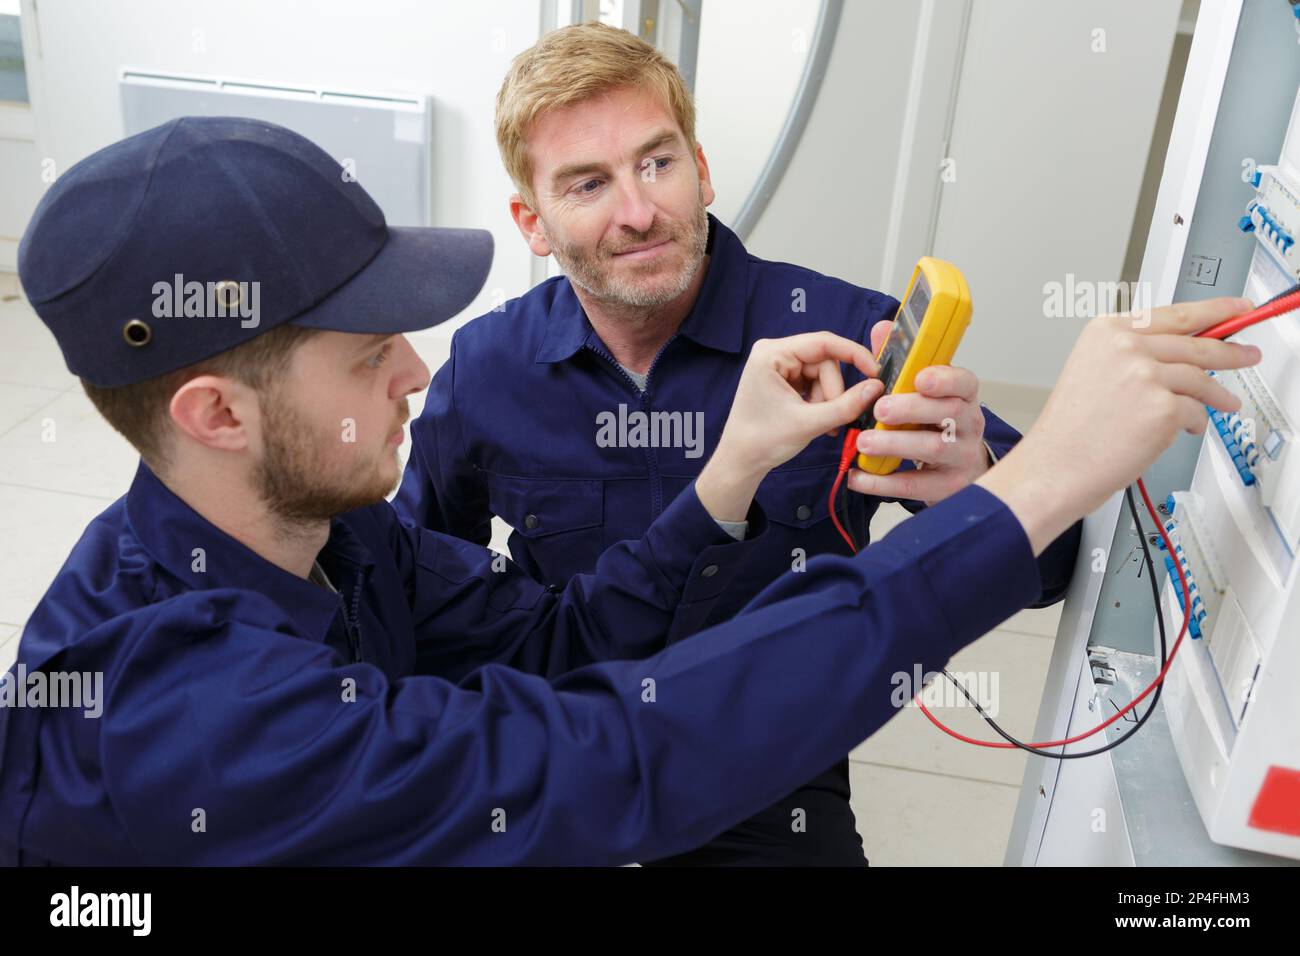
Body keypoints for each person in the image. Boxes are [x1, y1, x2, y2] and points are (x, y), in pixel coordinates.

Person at [0, 116, 1259, 867]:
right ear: (215, 412)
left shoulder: (323, 529)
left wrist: (725, 477)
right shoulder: (186, 713)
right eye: (368, 350)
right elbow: (616, 754)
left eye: (657, 160)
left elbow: (553, 640)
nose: (417, 370)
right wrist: (1031, 487)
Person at [394, 21, 1081, 864]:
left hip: (773, 776)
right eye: (587, 185)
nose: (639, 212)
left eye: (657, 162)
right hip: (562, 746)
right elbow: (416, 591)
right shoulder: (488, 367)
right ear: (531, 222)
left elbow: (1055, 569)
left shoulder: (843, 333)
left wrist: (979, 477)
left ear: (703, 168)